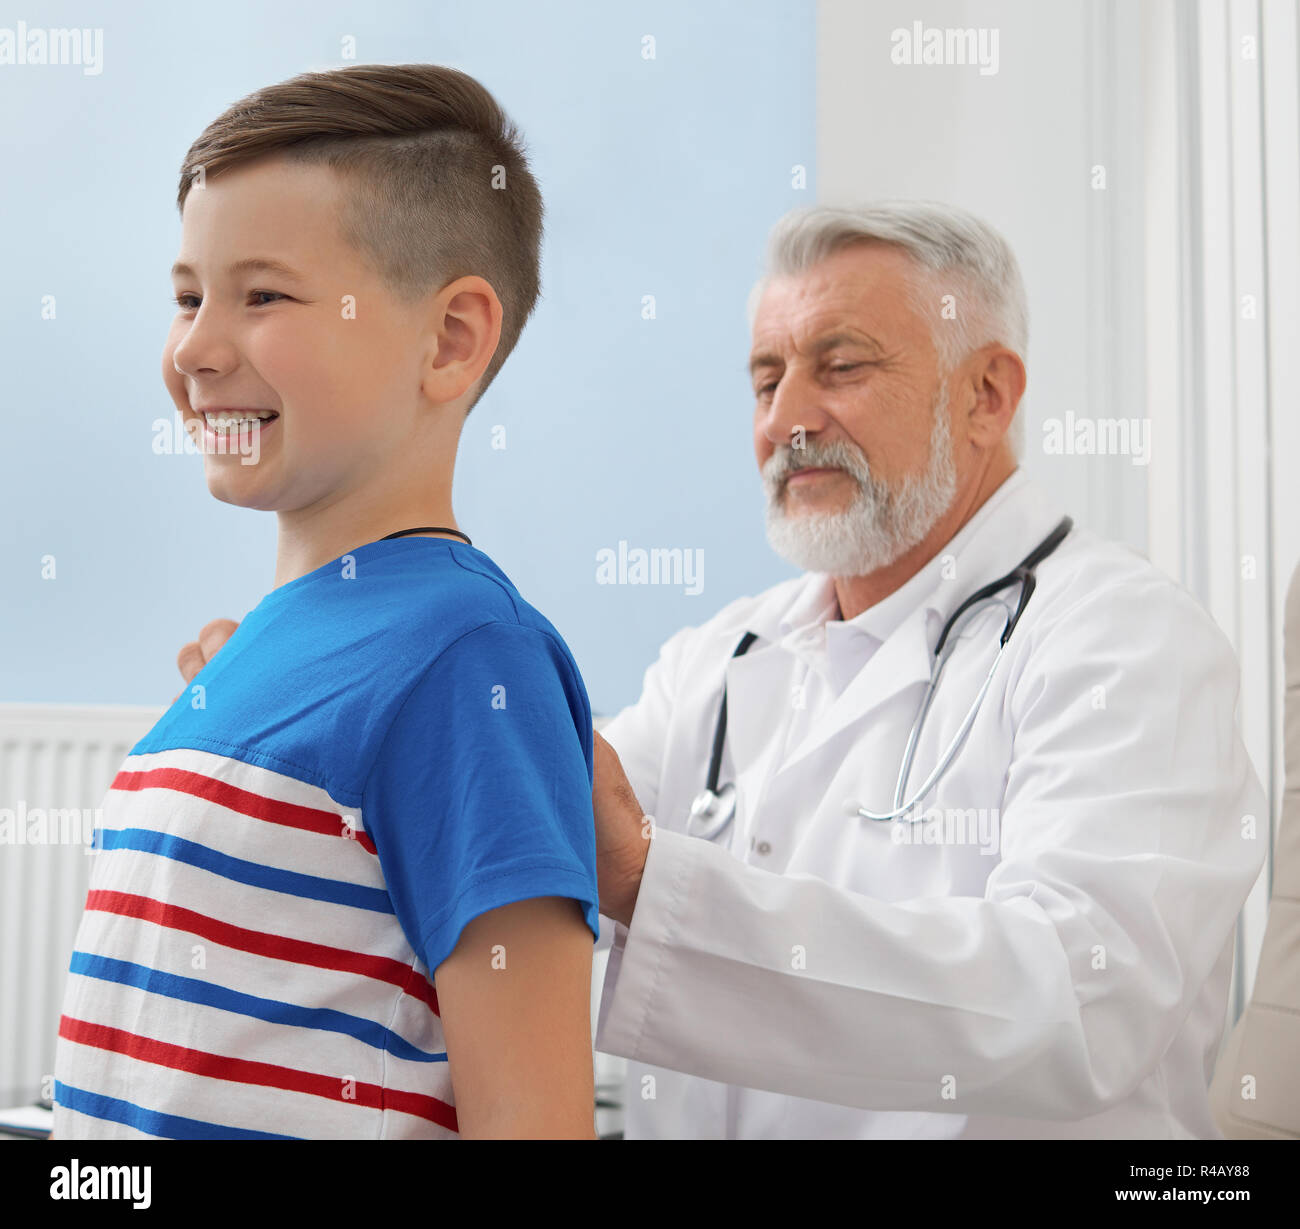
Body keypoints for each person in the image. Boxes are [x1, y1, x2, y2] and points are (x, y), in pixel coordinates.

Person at [177, 200, 1268, 1139]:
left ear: (986, 394)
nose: (788, 420)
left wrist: (650, 876)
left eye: (840, 367)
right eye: (764, 379)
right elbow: (525, 822)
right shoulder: (726, 654)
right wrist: (332, 710)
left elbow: (1083, 1000)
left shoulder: (1122, 640)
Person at [52, 63, 600, 1140]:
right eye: (186, 295)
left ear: (450, 339)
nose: (196, 350)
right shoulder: (248, 653)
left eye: (262, 295)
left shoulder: (468, 659)